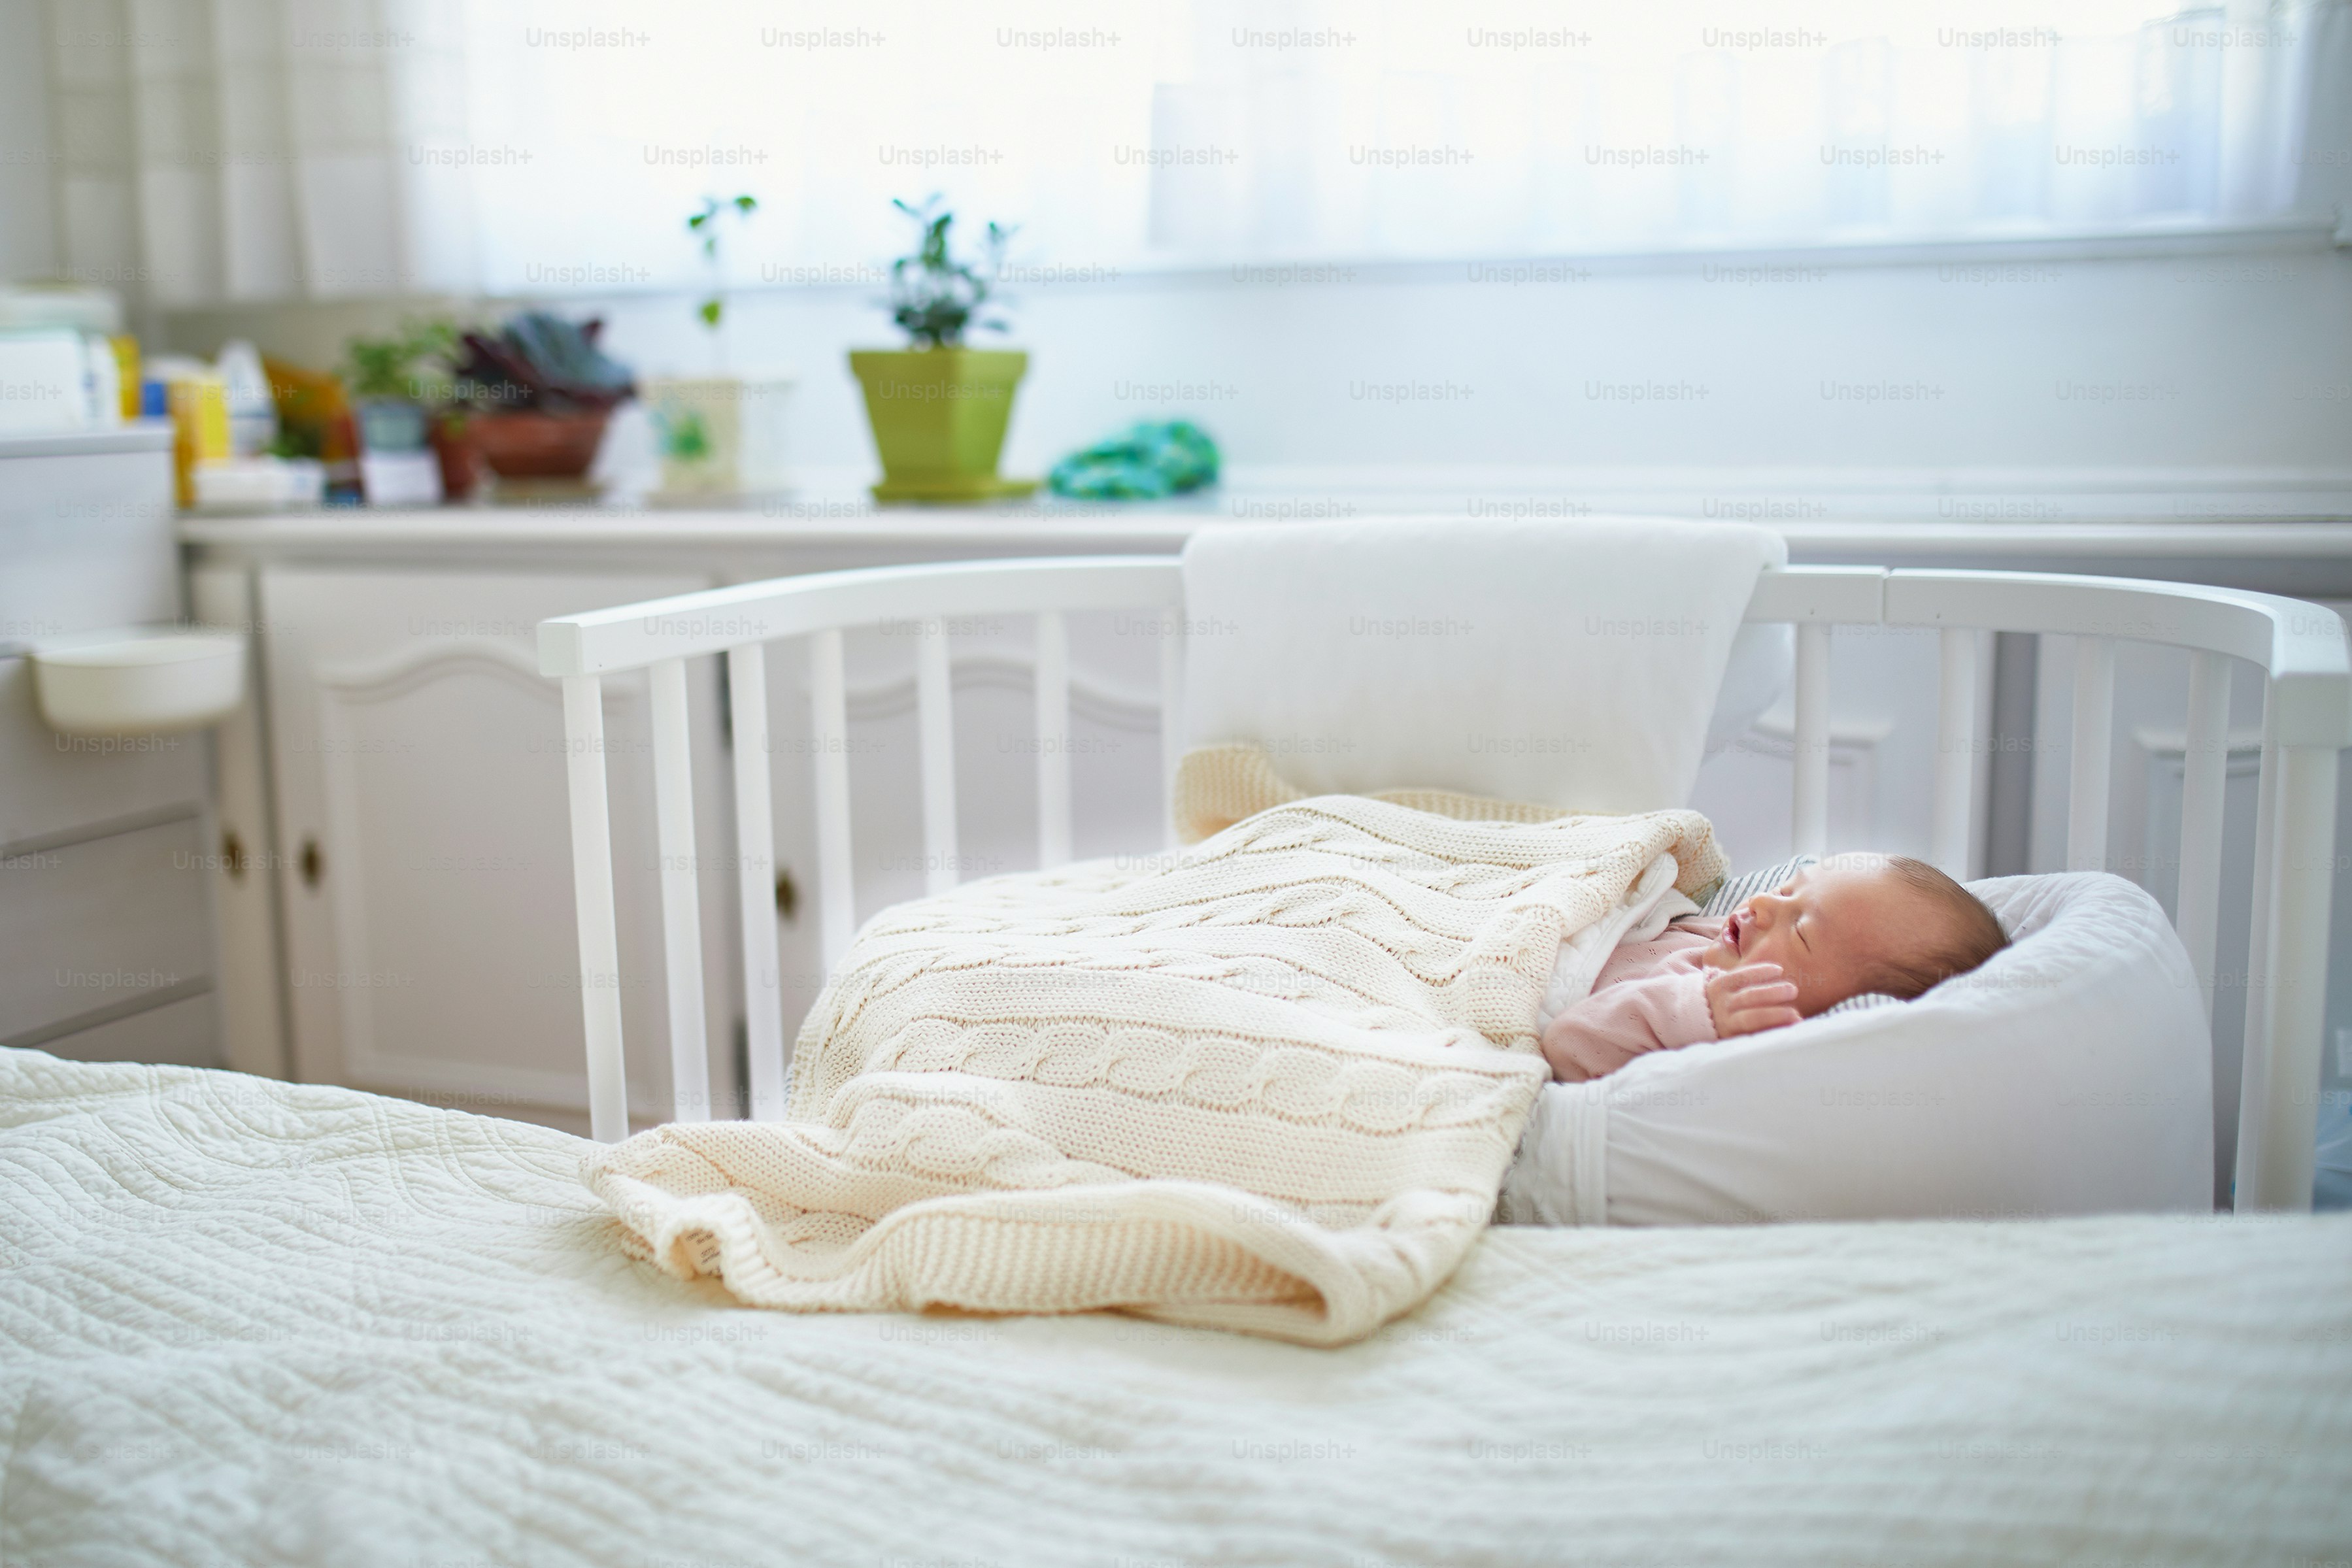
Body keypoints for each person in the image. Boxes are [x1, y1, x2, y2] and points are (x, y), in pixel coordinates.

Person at [1541, 854, 2008, 1083]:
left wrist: (1696, 1011)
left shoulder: (1704, 1016)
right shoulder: (1720, 935)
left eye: (1801, 929)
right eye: (1787, 889)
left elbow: (1568, 1043)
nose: (1763, 904)